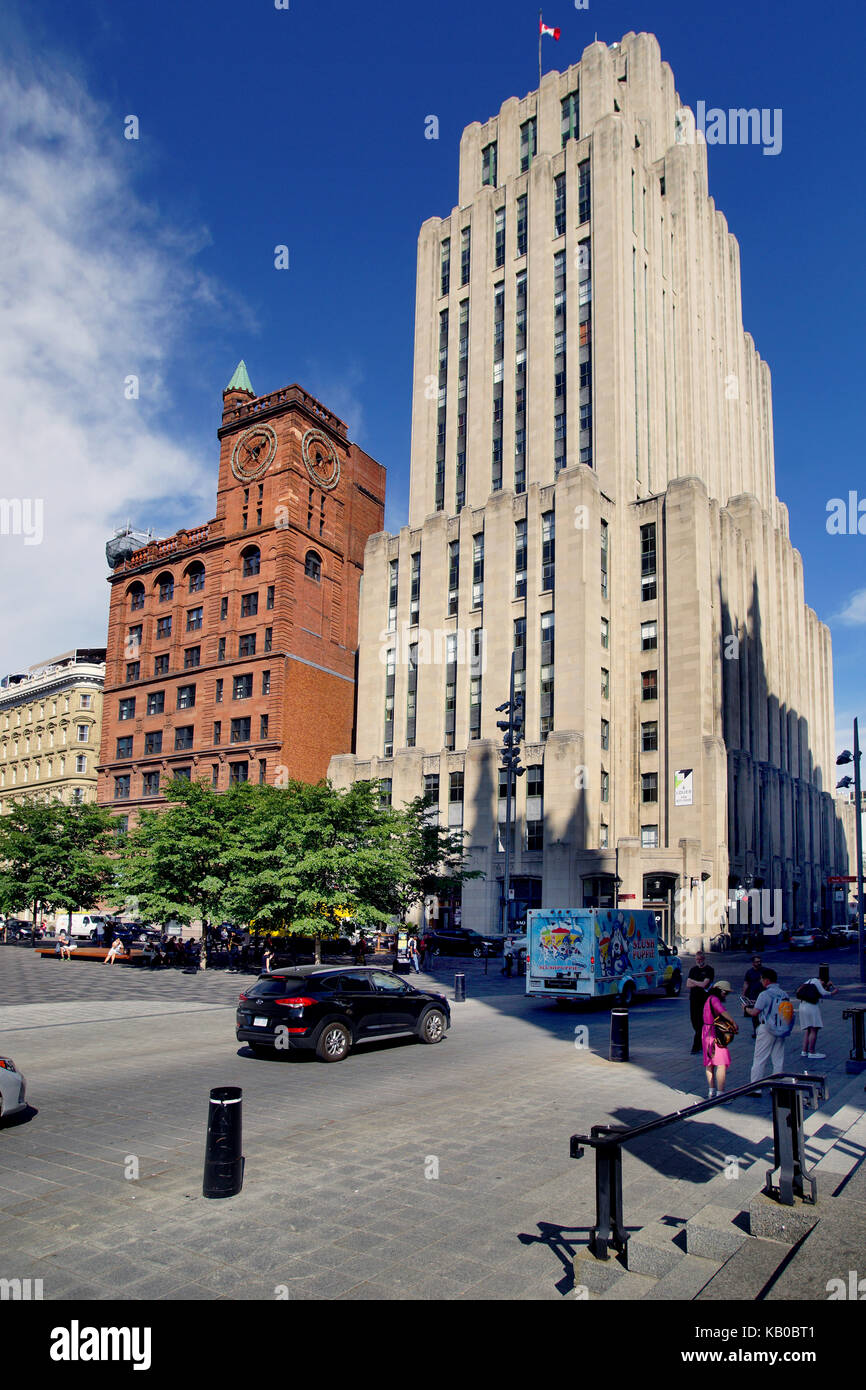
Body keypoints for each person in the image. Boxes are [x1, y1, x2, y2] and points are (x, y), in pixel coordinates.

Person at [746, 967, 795, 1082]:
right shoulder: (784, 994)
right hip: (781, 1027)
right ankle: (777, 1084)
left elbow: (755, 1012)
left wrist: (746, 1008)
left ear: (767, 980)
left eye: (762, 979)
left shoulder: (764, 994)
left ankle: (755, 1086)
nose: (761, 981)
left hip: (767, 1027)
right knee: (778, 1058)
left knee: (760, 1057)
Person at [702, 981, 738, 1097]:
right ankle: (721, 1094)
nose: (725, 995)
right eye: (725, 993)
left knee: (709, 1063)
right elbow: (722, 1011)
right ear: (721, 991)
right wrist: (733, 1022)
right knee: (721, 1063)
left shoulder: (708, 999)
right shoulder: (715, 1000)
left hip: (706, 1033)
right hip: (715, 1034)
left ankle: (711, 1091)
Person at [798, 969, 838, 1060]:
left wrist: (826, 986)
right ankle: (812, 1052)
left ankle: (804, 1051)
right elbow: (824, 993)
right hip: (811, 1007)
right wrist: (833, 992)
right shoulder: (817, 982)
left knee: (808, 1029)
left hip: (802, 1005)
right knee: (814, 1029)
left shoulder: (809, 981)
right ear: (822, 980)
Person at [687, 951, 715, 1054]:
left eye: (700, 960)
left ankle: (696, 1046)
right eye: (697, 960)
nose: (698, 961)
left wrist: (694, 982)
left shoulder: (709, 970)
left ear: (704, 959)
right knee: (694, 1022)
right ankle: (701, 1042)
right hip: (693, 999)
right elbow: (688, 984)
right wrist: (698, 983)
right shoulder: (693, 969)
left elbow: (705, 984)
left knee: (701, 1023)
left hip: (704, 999)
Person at [742, 955, 764, 1038]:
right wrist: (743, 994)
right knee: (754, 1015)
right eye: (757, 962)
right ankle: (756, 1031)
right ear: (753, 963)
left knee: (763, 1014)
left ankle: (762, 1031)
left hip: (762, 994)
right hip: (753, 996)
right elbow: (746, 983)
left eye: (760, 961)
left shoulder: (764, 971)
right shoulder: (749, 972)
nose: (759, 963)